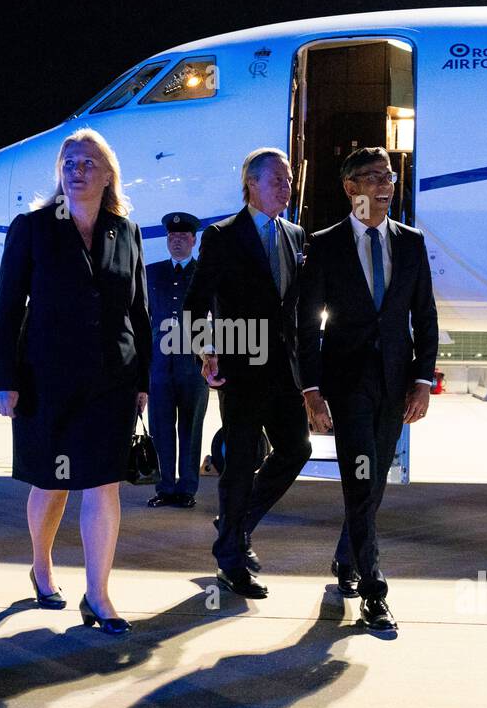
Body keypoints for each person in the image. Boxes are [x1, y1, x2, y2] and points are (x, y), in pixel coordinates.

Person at [0, 128, 149, 635]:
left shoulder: (125, 232)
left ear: (108, 175)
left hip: (112, 379)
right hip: (46, 377)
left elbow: (138, 312)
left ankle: (98, 595)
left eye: (88, 162)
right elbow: (9, 307)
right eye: (69, 161)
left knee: (103, 483)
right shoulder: (32, 227)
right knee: (52, 481)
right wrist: (4, 379)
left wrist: (142, 377)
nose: (77, 169)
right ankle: (41, 565)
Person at [298, 147, 438, 633]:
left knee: (375, 480)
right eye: (373, 177)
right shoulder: (326, 244)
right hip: (348, 384)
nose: (385, 185)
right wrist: (312, 391)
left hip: (396, 384)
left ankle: (345, 557)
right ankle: (374, 592)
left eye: (389, 176)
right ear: (350, 187)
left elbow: (425, 317)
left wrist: (422, 381)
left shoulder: (412, 243)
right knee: (360, 479)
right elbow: (306, 325)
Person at [183, 148, 311, 599]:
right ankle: (230, 561)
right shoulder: (222, 236)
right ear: (251, 184)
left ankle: (235, 526)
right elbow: (197, 302)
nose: (286, 185)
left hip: (286, 370)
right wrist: (206, 350)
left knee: (296, 448)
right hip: (240, 364)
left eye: (289, 178)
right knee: (240, 461)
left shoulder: (296, 236)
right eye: (277, 178)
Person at [145, 211, 209, 510]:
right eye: (172, 237)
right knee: (160, 427)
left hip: (194, 366)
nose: (177, 242)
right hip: (158, 367)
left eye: (183, 237)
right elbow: (141, 321)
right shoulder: (152, 273)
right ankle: (165, 486)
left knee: (190, 428)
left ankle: (187, 488)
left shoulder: (206, 273)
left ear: (194, 240)